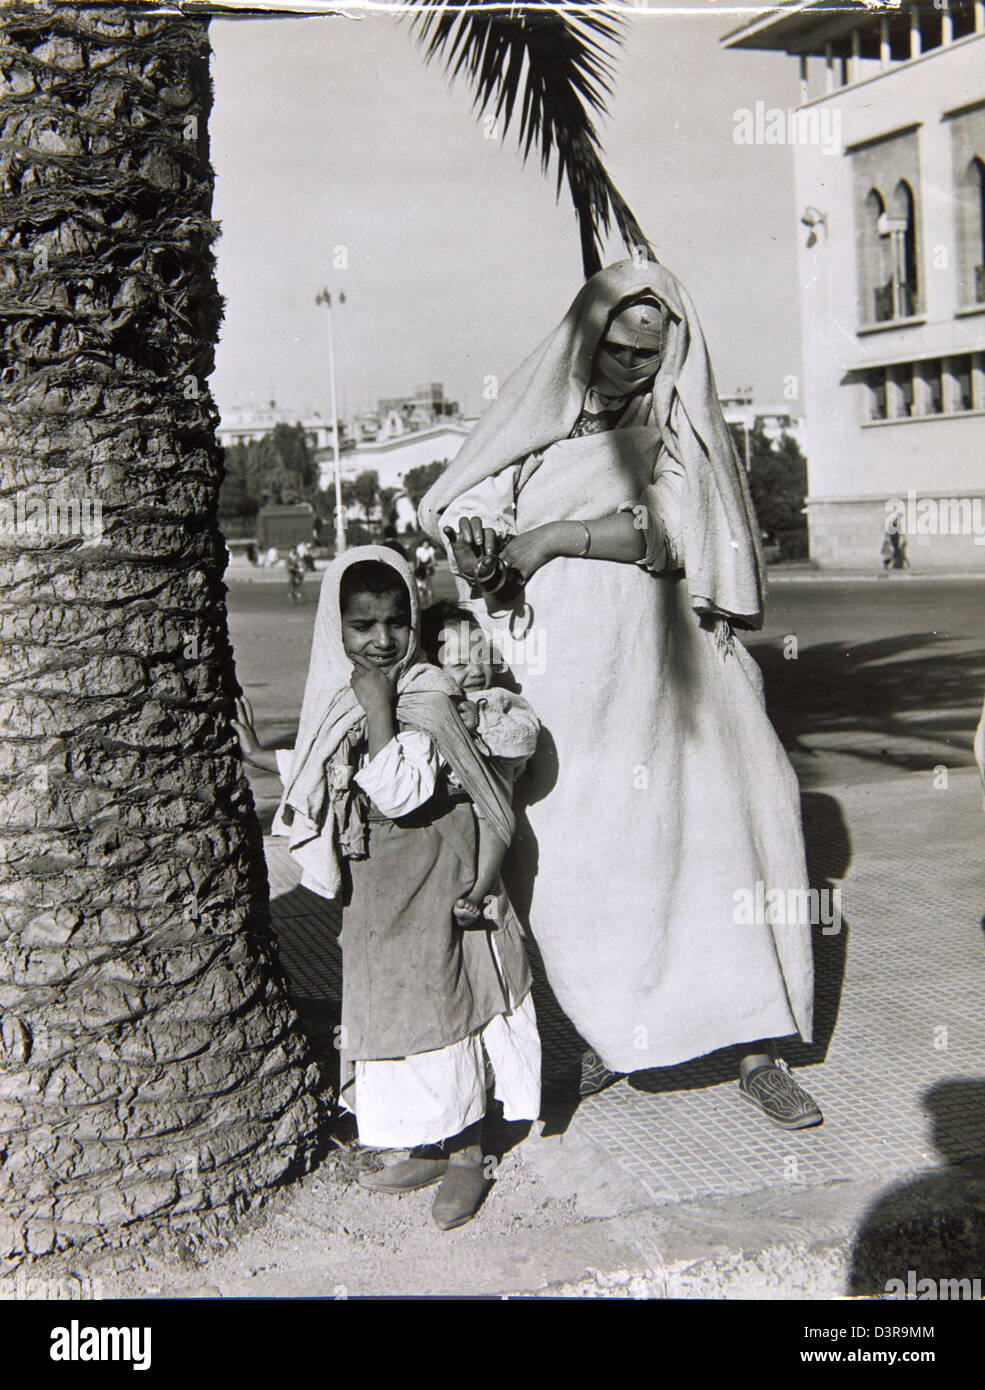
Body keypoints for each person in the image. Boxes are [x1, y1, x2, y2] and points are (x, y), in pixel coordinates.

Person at [420, 258, 822, 1129]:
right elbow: (468, 504)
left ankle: (758, 1046)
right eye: (614, 343)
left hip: (675, 675)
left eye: (647, 350)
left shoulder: (681, 427)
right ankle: (619, 1030)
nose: (627, 364)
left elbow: (679, 532)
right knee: (584, 859)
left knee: (727, 840)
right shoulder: (532, 421)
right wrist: (485, 546)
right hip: (565, 677)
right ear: (585, 335)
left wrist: (552, 538)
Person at [233, 547, 541, 1229]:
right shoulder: (358, 693)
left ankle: (468, 1155)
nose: (379, 641)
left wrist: (377, 711)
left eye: (395, 623)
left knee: (445, 998)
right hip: (377, 887)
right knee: (394, 1005)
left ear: (413, 623)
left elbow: (401, 791)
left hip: (437, 872)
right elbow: (332, 757)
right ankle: (430, 1140)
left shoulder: (426, 692)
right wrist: (265, 758)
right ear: (334, 629)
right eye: (361, 625)